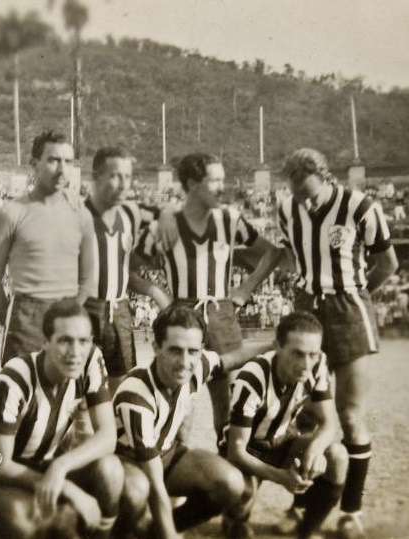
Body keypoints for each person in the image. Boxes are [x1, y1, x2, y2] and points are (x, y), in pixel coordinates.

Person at [255, 149, 398, 539]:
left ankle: (352, 511)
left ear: (327, 178)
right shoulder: (288, 209)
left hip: (349, 309)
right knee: (304, 414)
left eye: (311, 194)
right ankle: (301, 508)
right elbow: (287, 250)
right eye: (298, 193)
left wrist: (356, 295)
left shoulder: (361, 206)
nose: (305, 201)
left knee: (350, 415)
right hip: (307, 313)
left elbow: (388, 264)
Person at [136, 153, 277, 438]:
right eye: (214, 180)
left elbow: (273, 251)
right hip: (180, 317)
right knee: (178, 413)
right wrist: (157, 293)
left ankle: (229, 476)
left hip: (221, 315)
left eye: (222, 179)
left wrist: (246, 288)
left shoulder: (230, 220)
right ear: (192, 183)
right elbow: (124, 268)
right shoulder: (164, 225)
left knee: (228, 411)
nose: (222, 186)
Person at [114, 302, 271, 539]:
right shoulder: (135, 395)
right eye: (175, 350)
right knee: (137, 491)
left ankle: (152, 533)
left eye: (193, 351)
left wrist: (274, 345)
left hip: (165, 454)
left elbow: (231, 359)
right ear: (156, 347)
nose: (185, 361)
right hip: (128, 463)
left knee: (231, 483)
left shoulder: (198, 365)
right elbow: (155, 482)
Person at [0, 299, 123, 539]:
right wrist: (67, 488)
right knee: (27, 520)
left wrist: (61, 466)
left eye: (83, 341)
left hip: (48, 462)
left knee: (111, 469)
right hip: (1, 468)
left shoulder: (90, 360)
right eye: (65, 341)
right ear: (44, 342)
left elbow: (107, 437)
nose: (75, 352)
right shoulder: (15, 377)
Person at [224, 311, 349, 539]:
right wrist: (280, 476)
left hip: (283, 440)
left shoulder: (317, 364)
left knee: (337, 457)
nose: (306, 363)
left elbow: (329, 422)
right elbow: (236, 451)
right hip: (249, 451)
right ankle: (234, 518)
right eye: (297, 354)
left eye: (312, 354)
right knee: (238, 506)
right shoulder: (253, 376)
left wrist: (315, 448)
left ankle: (307, 531)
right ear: (277, 346)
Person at [0, 130, 96, 364]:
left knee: (68, 396)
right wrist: (12, 320)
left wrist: (71, 315)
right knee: (20, 391)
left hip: (67, 312)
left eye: (68, 161)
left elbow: (88, 278)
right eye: (53, 160)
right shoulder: (12, 212)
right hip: (25, 317)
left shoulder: (81, 214)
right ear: (34, 164)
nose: (62, 169)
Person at [83, 146, 166, 389]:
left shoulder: (131, 213)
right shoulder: (76, 215)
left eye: (128, 177)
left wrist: (154, 291)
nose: (123, 184)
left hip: (118, 309)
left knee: (124, 388)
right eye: (115, 176)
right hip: (84, 308)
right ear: (95, 178)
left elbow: (172, 216)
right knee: (81, 393)